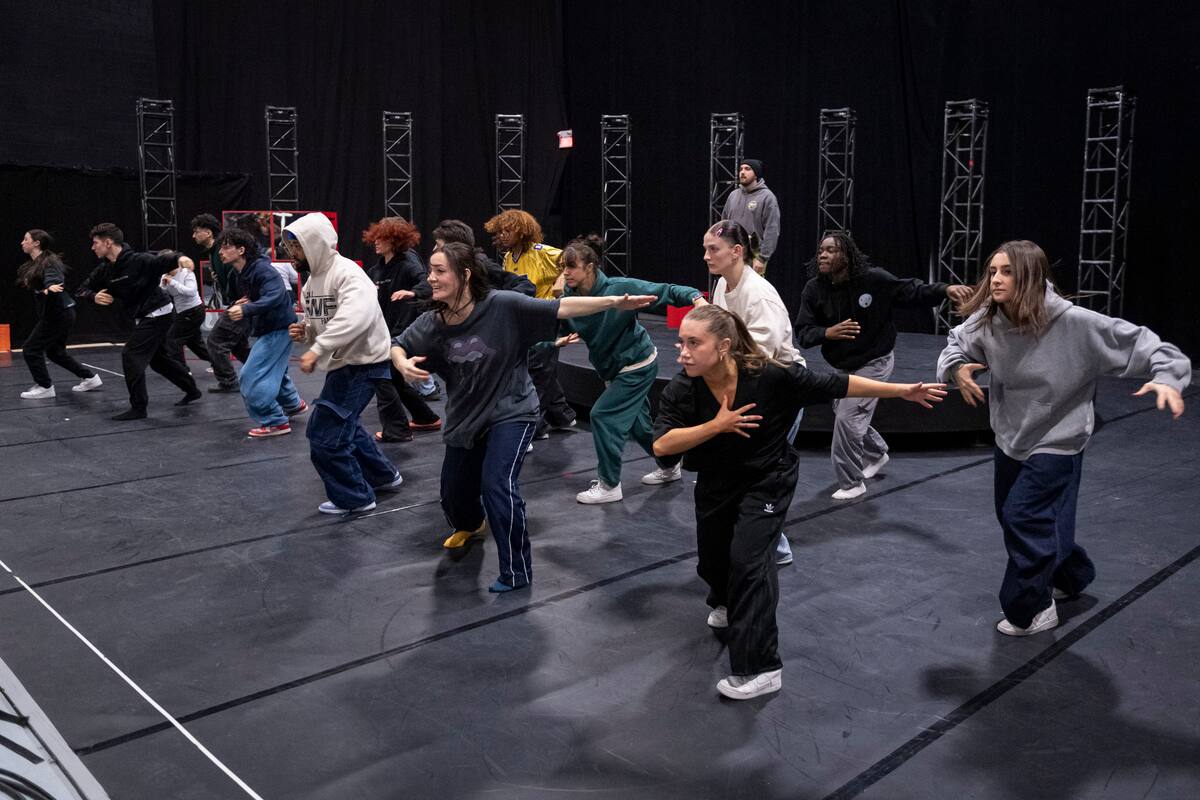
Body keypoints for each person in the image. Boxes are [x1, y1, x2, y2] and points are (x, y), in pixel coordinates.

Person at [653, 305, 946, 699]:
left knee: (750, 561)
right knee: (714, 560)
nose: (683, 352)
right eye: (681, 343)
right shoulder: (683, 387)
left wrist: (902, 391)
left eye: (693, 343)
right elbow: (662, 445)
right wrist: (716, 426)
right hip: (717, 483)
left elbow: (836, 385)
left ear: (723, 346)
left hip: (767, 480)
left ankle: (761, 666)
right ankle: (723, 599)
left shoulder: (771, 377)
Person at [937, 240, 1190, 637]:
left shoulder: (1075, 323)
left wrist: (1166, 378)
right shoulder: (989, 320)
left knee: (1023, 516)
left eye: (1007, 272)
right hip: (1010, 433)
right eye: (993, 272)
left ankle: (1032, 608)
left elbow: (1147, 345)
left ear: (1031, 276)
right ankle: (1072, 575)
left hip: (1059, 438)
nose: (996, 279)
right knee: (1014, 517)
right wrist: (957, 370)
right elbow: (955, 344)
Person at [390, 242, 658, 592]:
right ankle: (471, 524)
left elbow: (561, 307)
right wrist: (402, 362)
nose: (431, 278)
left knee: (497, 485)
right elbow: (398, 343)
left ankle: (516, 571)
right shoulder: (434, 321)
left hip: (511, 411)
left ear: (465, 275)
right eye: (431, 270)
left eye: (440, 271)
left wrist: (614, 301)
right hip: (465, 417)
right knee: (453, 494)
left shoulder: (502, 305)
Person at [793, 231, 971, 499]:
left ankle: (852, 482)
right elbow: (804, 333)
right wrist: (827, 333)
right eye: (821, 251)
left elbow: (912, 290)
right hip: (844, 366)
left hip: (875, 361)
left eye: (831, 250)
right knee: (842, 408)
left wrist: (945, 289)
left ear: (847, 255)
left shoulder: (873, 280)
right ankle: (876, 453)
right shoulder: (814, 289)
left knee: (847, 417)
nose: (824, 255)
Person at [555, 234, 705, 503]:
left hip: (636, 365)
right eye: (563, 267)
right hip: (612, 370)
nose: (565, 273)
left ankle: (609, 484)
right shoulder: (571, 297)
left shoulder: (618, 288)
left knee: (603, 415)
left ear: (589, 267)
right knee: (640, 428)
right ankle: (670, 465)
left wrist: (695, 298)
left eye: (571, 267)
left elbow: (664, 291)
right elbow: (560, 323)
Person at [285, 213, 402, 514]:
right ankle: (383, 476)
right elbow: (322, 320)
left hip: (362, 363)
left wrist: (318, 347)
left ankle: (355, 497)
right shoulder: (311, 283)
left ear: (314, 245)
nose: (291, 253)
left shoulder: (348, 273)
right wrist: (306, 330)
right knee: (345, 423)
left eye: (295, 247)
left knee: (325, 433)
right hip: (345, 363)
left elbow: (355, 318)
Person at [704, 220, 805, 565]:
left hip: (781, 389)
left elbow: (766, 351)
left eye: (713, 249)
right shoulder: (722, 285)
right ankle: (770, 546)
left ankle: (770, 547)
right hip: (752, 385)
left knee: (763, 471)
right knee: (748, 471)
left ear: (737, 252)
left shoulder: (758, 294)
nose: (706, 256)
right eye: (705, 249)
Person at [76, 223, 200, 419]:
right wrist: (93, 296)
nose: (93, 247)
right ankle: (192, 389)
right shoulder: (105, 270)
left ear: (108, 243)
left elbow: (164, 261)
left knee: (131, 355)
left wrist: (181, 257)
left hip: (159, 313)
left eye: (95, 243)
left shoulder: (139, 260)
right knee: (159, 361)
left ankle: (138, 408)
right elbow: (81, 289)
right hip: (144, 316)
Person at [483, 209, 576, 438]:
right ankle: (563, 415)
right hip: (524, 319)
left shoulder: (540, 252)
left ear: (522, 231)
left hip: (544, 316)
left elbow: (572, 259)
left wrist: (561, 283)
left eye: (508, 231)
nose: (503, 235)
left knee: (538, 368)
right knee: (540, 367)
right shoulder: (507, 258)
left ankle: (537, 425)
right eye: (501, 231)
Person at [217, 227, 306, 437]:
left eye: (226, 247)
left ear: (241, 250)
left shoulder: (263, 270)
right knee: (277, 370)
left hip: (279, 328)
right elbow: (247, 299)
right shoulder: (239, 273)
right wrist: (238, 304)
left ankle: (275, 421)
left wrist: (246, 309)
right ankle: (293, 405)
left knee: (251, 375)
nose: (220, 251)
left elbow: (275, 295)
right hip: (273, 327)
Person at [362, 216, 441, 443]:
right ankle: (425, 418)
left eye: (382, 238)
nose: (376, 242)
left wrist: (412, 292)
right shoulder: (377, 270)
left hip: (404, 331)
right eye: (375, 237)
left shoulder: (408, 264)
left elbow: (427, 284)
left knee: (383, 378)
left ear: (395, 240)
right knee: (393, 380)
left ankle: (397, 430)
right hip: (385, 330)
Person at [15, 229, 101, 398]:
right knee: (56, 353)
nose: (22, 242)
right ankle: (90, 378)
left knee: (30, 349)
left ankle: (45, 386)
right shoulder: (35, 263)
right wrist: (43, 288)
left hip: (58, 314)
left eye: (26, 239)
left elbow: (53, 280)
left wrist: (49, 287)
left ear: (36, 243)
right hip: (61, 312)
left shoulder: (49, 262)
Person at [195, 214, 251, 393]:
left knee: (215, 341)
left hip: (240, 303)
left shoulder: (223, 251)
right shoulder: (214, 254)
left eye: (197, 232)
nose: (194, 236)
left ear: (208, 232)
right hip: (235, 302)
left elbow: (243, 271)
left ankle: (229, 381)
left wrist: (246, 297)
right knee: (238, 346)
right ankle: (264, 371)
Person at [720, 159, 779, 275]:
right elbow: (723, 224)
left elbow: (772, 230)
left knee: (750, 290)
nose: (742, 172)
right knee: (730, 289)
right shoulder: (733, 195)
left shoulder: (767, 197)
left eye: (747, 169)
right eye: (741, 169)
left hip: (754, 254)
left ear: (756, 174)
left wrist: (763, 258)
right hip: (731, 252)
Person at [160, 254, 212, 367]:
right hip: (181, 312)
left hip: (194, 310)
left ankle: (182, 370)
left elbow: (191, 292)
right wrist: (164, 285)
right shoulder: (165, 276)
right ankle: (218, 362)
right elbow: (163, 293)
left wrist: (173, 282)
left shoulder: (186, 273)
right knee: (195, 343)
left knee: (173, 340)